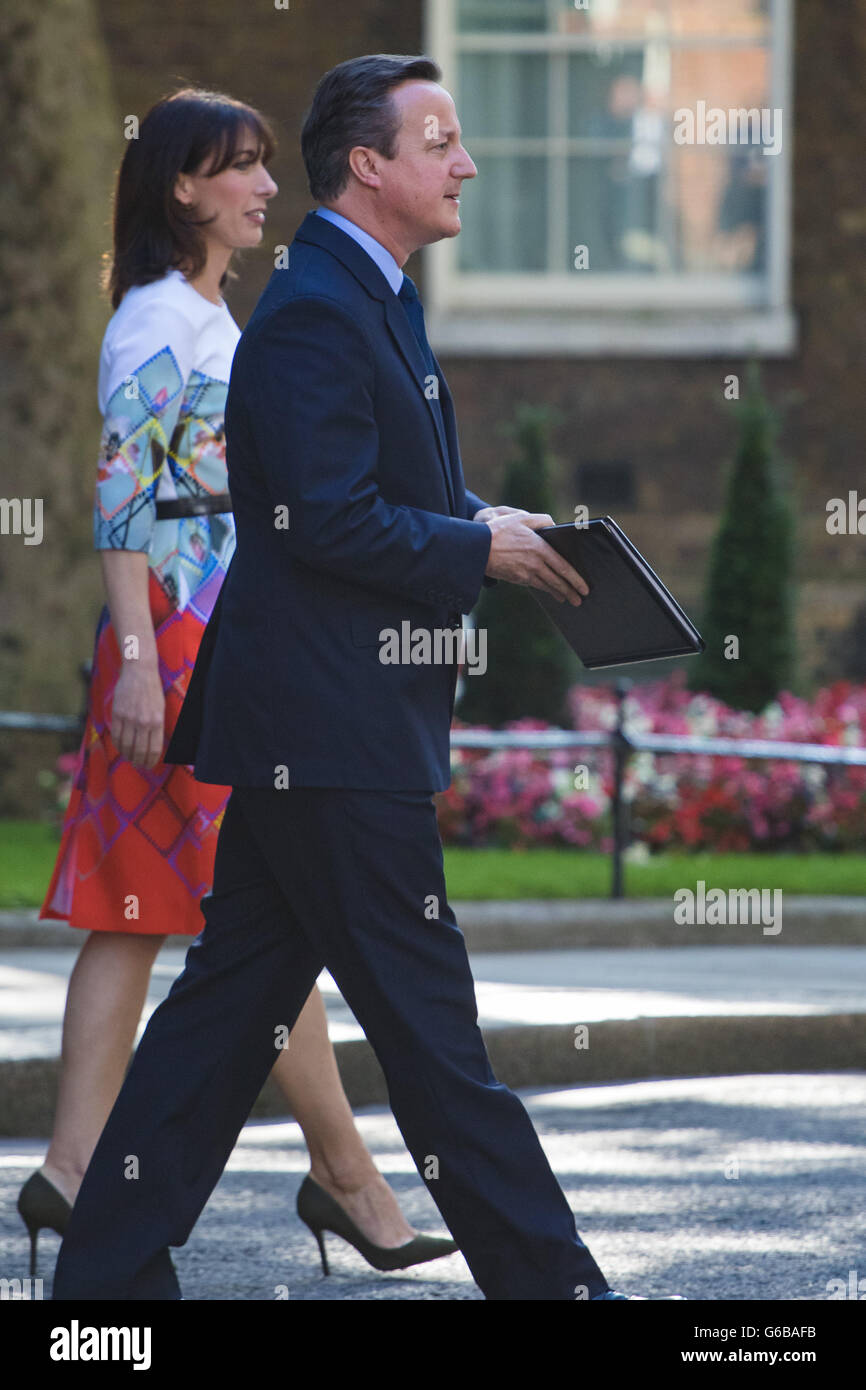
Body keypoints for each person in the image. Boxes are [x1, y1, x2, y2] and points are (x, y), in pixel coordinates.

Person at [53, 54, 682, 1301]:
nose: (466, 164)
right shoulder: (315, 311)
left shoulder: (365, 294)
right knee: (439, 1052)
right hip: (331, 737)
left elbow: (353, 489)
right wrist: (471, 545)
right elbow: (310, 522)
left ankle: (102, 1285)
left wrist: (471, 515)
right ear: (369, 166)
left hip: (323, 730)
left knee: (219, 1024)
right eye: (439, 141)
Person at [21, 83, 456, 1284]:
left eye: (271, 164)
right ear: (182, 188)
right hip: (174, 639)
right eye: (241, 167)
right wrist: (140, 662)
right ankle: (342, 1177)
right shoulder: (161, 319)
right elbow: (123, 494)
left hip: (210, 637)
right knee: (232, 915)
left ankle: (78, 1173)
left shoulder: (209, 311)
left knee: (193, 913)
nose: (268, 187)